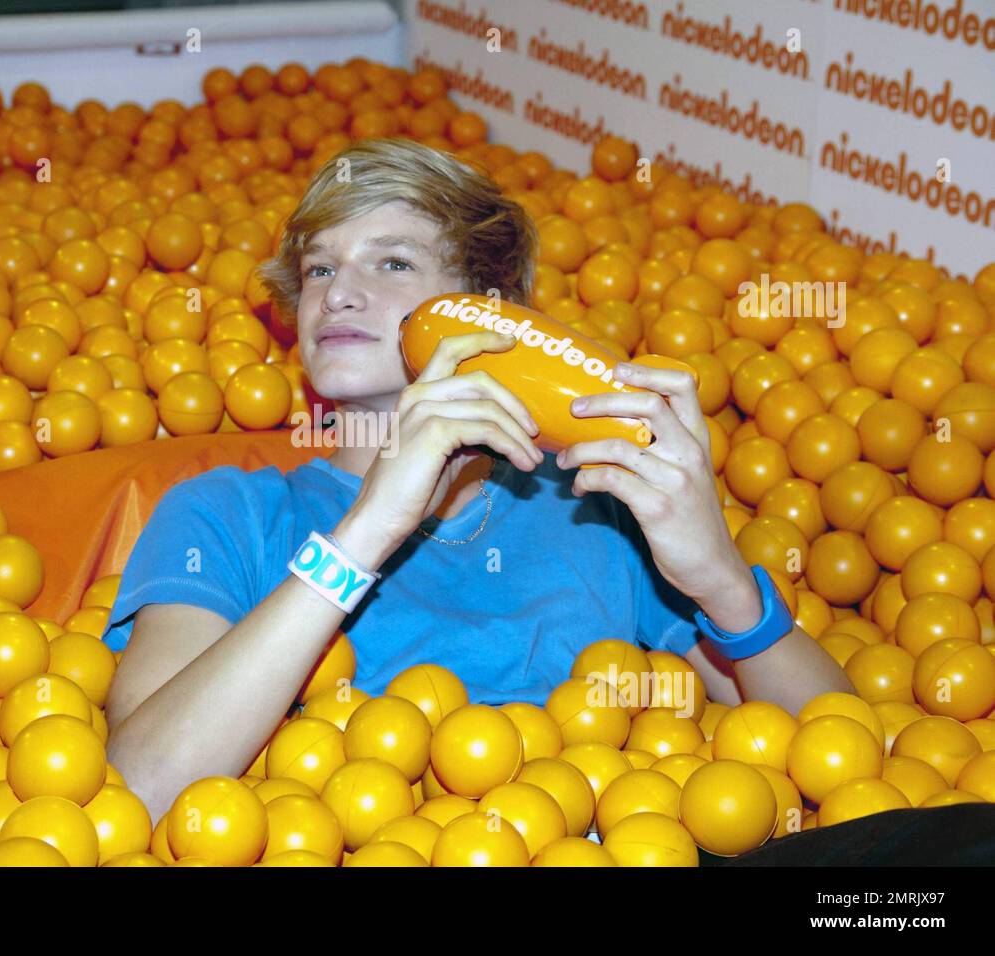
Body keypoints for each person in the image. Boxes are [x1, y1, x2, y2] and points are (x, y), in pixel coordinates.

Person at [102, 137, 853, 822]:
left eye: (393, 263)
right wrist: (364, 535)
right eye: (320, 268)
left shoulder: (595, 500)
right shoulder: (226, 512)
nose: (338, 293)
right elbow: (144, 785)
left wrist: (721, 579)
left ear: (493, 310)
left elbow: (848, 766)